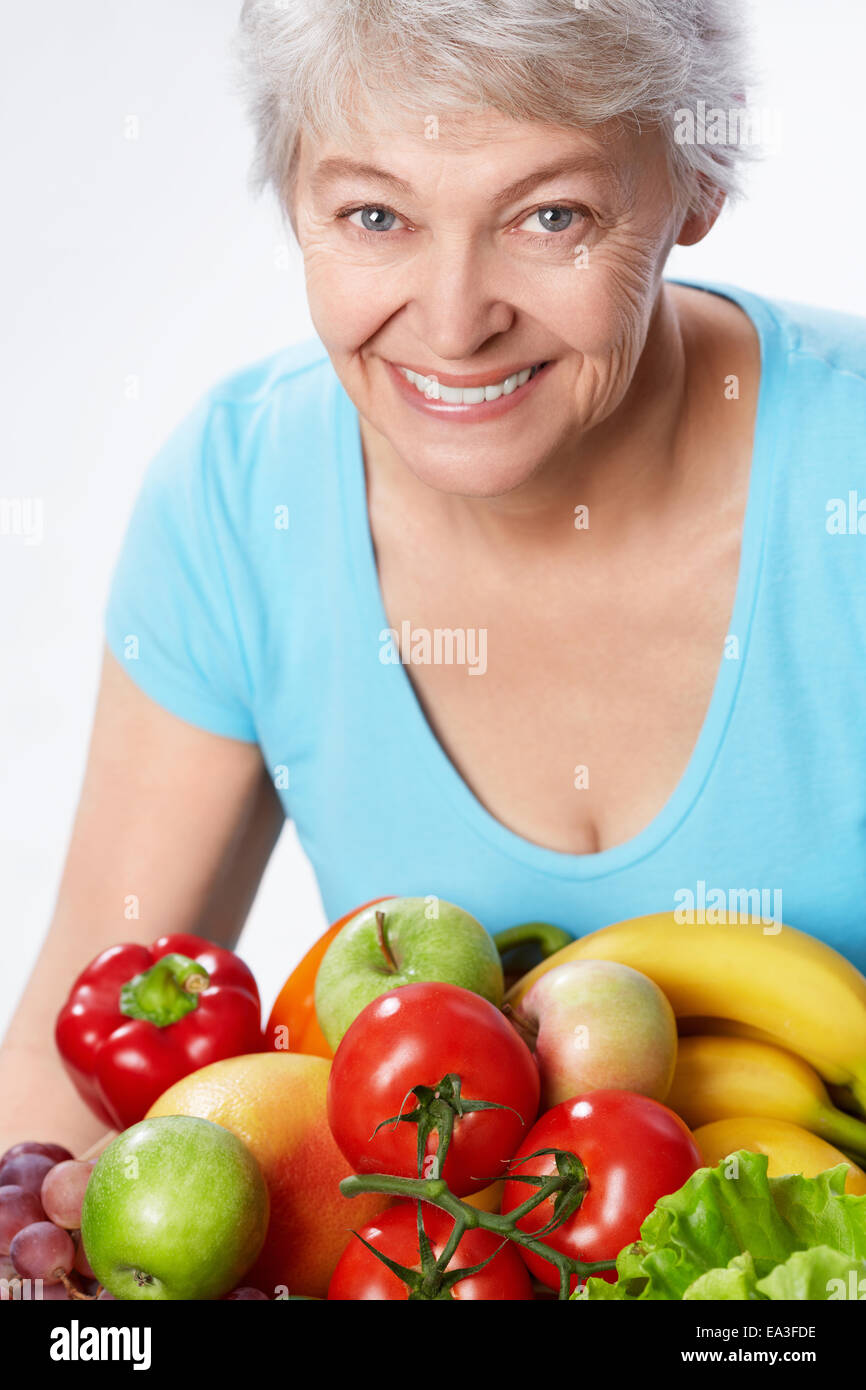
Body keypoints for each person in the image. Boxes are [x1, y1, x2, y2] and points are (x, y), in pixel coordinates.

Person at [3, 0, 865, 1157]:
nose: (454, 324)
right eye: (374, 215)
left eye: (548, 215)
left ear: (695, 182)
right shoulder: (238, 495)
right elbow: (73, 1070)